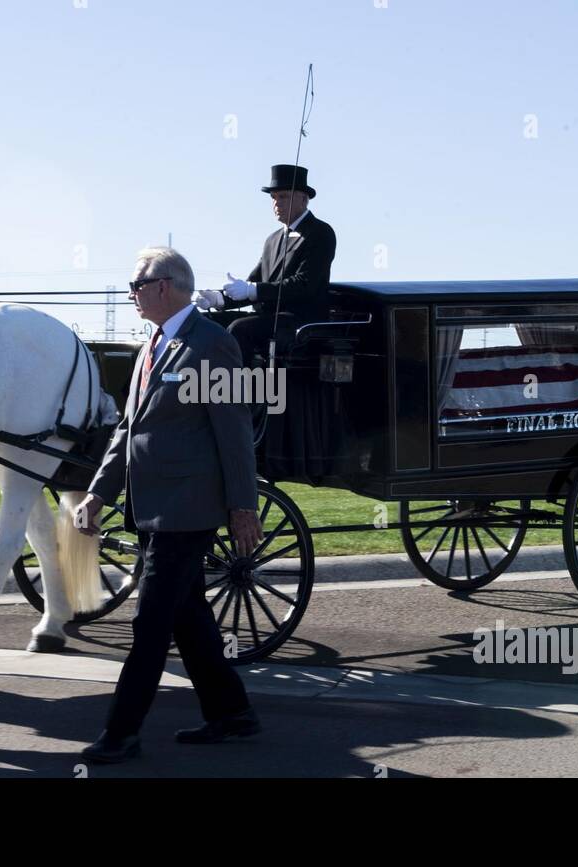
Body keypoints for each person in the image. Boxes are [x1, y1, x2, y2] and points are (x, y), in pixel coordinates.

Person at [74, 247, 263, 764]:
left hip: (189, 508)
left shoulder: (211, 344)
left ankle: (121, 733)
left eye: (137, 284)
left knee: (150, 621)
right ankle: (232, 714)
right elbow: (127, 430)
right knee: (188, 615)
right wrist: (98, 492)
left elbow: (234, 430)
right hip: (152, 506)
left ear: (166, 285)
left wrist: (243, 506)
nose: (131, 293)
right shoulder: (150, 346)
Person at [194, 164, 337, 369]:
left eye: (284, 196)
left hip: (300, 321)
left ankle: (232, 397)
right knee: (208, 324)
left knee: (240, 329)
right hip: (270, 319)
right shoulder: (273, 239)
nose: (276, 203)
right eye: (274, 197)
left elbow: (304, 284)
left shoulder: (320, 232)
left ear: (304, 199)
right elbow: (253, 283)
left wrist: (253, 290)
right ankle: (199, 390)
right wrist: (220, 298)